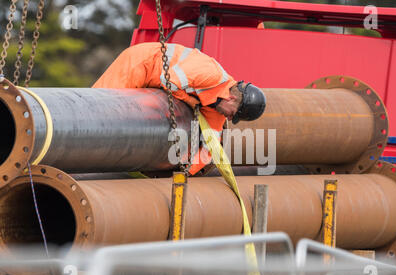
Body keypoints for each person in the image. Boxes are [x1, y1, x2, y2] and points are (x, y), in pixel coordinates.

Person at [93, 42, 266, 175]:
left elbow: (209, 148)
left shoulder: (218, 110)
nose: (229, 119)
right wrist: (190, 102)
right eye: (233, 114)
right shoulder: (210, 74)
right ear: (232, 98)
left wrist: (185, 172)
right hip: (141, 62)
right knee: (100, 109)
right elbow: (168, 79)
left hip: (153, 78)